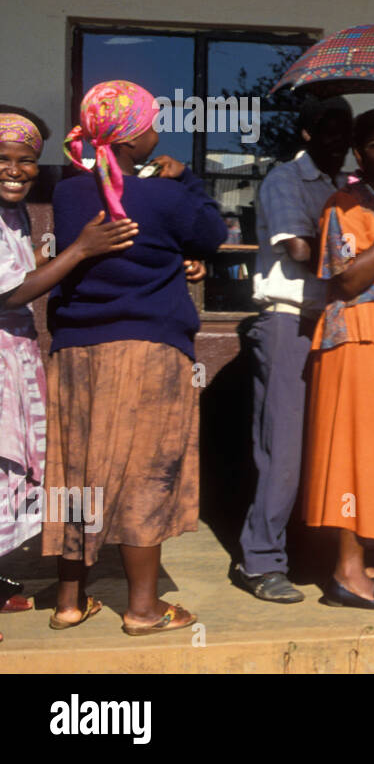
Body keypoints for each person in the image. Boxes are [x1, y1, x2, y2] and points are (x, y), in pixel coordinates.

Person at [43, 80, 226, 634]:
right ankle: (143, 609)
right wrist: (187, 178)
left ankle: (69, 602)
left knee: (79, 475)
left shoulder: (68, 193)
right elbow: (212, 233)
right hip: (148, 350)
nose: (156, 132)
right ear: (127, 136)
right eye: (149, 123)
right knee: (148, 475)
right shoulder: (166, 196)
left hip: (76, 352)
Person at [0, 112, 138, 635]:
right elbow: (9, 294)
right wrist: (81, 249)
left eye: (26, 161)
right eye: (4, 160)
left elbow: (21, 271)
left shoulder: (14, 216)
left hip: (15, 355)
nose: (17, 170)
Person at [232, 97, 351, 603]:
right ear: (305, 132)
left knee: (326, 444)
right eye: (327, 129)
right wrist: (364, 246)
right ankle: (259, 562)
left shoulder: (343, 188)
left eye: (346, 131)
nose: (338, 140)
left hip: (331, 322)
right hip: (287, 320)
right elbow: (300, 251)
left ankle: (309, 553)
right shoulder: (285, 180)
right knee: (282, 446)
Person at [300, 108, 374, 609]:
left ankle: (358, 560)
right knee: (353, 457)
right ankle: (346, 574)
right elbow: (345, 280)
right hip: (353, 341)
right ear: (358, 153)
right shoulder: (342, 204)